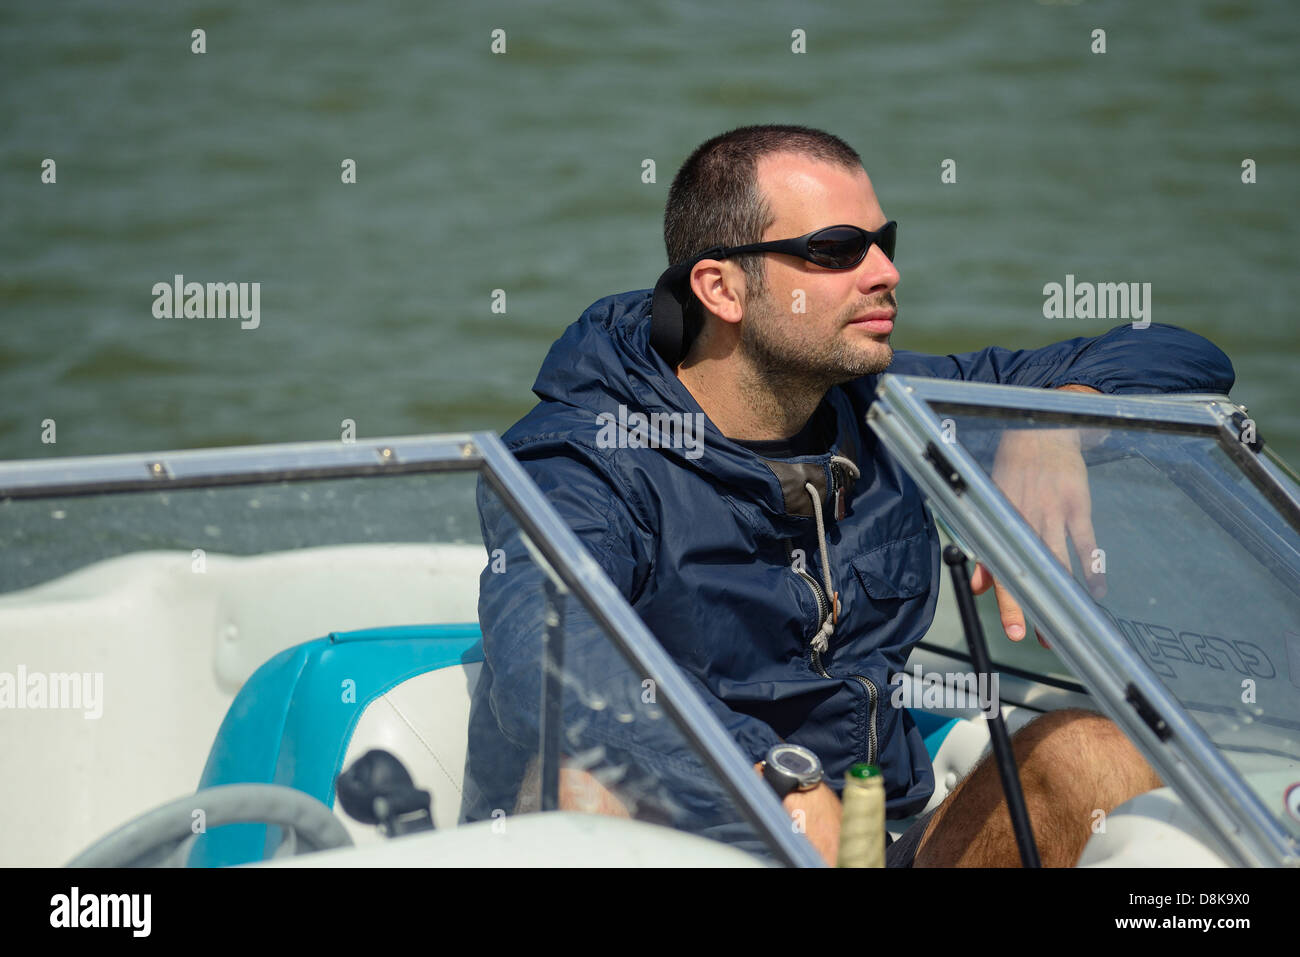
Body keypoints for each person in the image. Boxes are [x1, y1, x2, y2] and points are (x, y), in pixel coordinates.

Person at [460, 125, 1234, 866]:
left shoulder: (884, 401)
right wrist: (770, 777)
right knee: (584, 783)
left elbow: (1183, 356)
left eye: (882, 243)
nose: (885, 272)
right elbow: (546, 659)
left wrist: (1053, 416)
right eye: (835, 251)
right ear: (721, 287)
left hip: (869, 837)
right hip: (688, 836)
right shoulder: (582, 454)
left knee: (1096, 753)